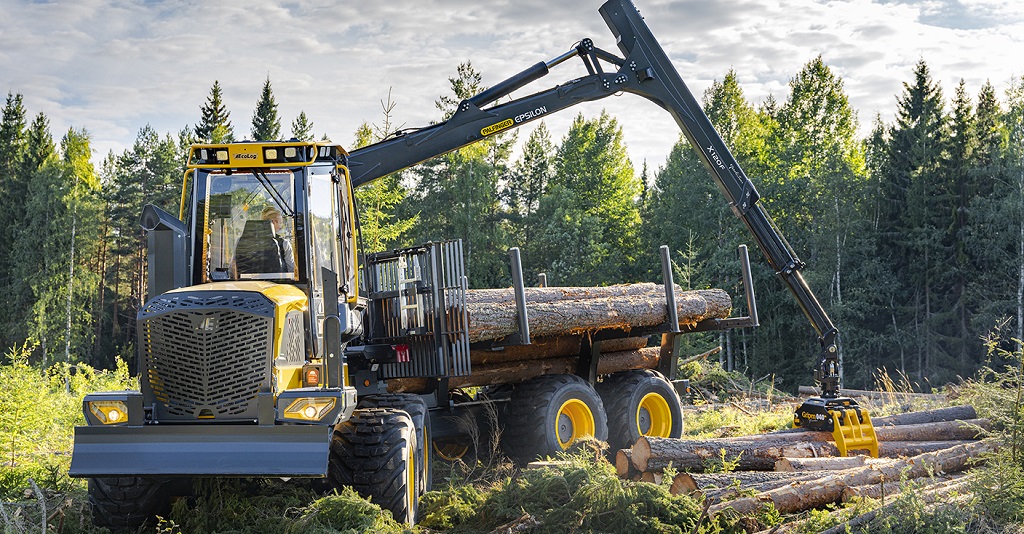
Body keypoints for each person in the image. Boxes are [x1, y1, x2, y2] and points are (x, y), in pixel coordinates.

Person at [261, 206, 295, 273]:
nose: (281, 226)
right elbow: (291, 270)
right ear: (274, 222)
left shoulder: (243, 241)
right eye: (280, 223)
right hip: (279, 280)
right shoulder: (284, 244)